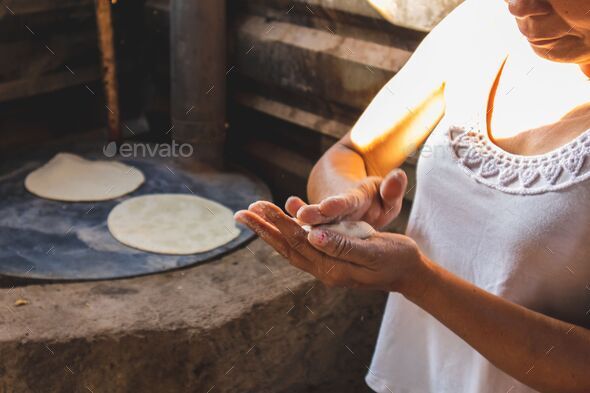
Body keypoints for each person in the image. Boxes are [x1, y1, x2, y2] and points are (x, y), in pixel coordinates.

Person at [235, 0, 590, 391]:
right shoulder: (482, 24)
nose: (519, 5)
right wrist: (347, 204)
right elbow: (355, 153)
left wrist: (418, 280)